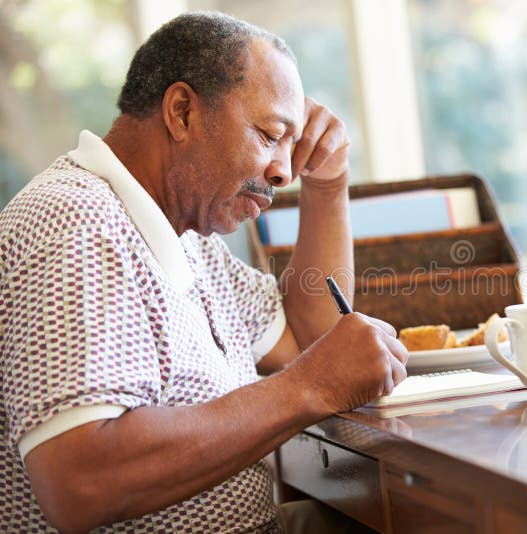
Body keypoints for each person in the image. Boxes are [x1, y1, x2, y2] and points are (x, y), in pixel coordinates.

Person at [0, 12, 408, 534]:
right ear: (182, 112)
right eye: (267, 134)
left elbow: (313, 341)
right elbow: (80, 482)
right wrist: (308, 387)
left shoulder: (186, 240)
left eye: (291, 144)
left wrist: (328, 183)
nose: (284, 172)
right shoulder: (75, 224)